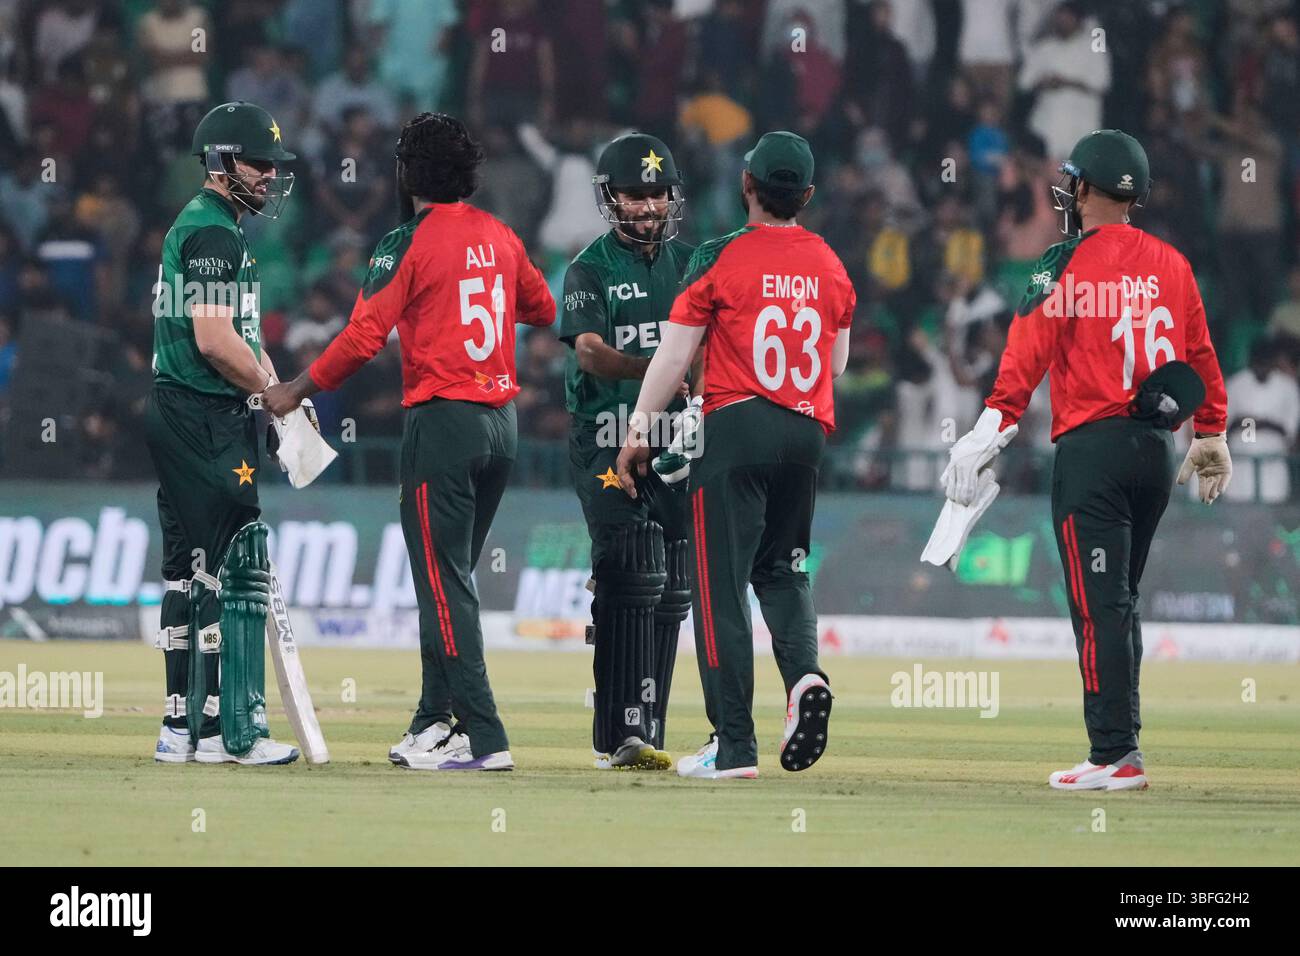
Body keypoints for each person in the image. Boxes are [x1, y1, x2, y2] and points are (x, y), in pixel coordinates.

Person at [264, 113, 556, 772]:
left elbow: (365, 337)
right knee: (445, 582)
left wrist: (297, 388)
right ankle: (434, 723)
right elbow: (540, 308)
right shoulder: (501, 235)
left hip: (444, 423)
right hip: (500, 424)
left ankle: (484, 735)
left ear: (405, 174)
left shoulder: (406, 242)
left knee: (444, 584)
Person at [940, 130, 1230, 791]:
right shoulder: (1174, 264)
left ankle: (1114, 755)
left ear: (1086, 189)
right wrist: (1210, 434)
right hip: (1154, 453)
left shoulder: (1057, 261)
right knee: (1121, 603)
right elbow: (1202, 358)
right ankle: (1121, 745)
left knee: (1098, 606)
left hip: (1092, 450)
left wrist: (991, 430)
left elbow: (1025, 352)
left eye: (1073, 182)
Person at [615, 131, 857, 779]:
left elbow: (673, 355)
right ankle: (805, 677)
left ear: (746, 185)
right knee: (785, 571)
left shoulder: (720, 255)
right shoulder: (832, 264)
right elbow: (837, 362)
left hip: (738, 426)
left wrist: (640, 429)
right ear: (806, 195)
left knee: (720, 589)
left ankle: (734, 745)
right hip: (805, 433)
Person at [147, 101, 301, 765]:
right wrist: (273, 395)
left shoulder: (207, 225)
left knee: (188, 570)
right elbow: (213, 340)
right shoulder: (214, 232)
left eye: (273, 163)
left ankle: (181, 726)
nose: (269, 174)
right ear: (219, 162)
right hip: (204, 414)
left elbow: (237, 338)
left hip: (181, 410)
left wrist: (276, 391)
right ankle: (224, 731)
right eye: (257, 162)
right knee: (231, 565)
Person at [559, 132, 695, 770]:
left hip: (675, 440)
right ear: (610, 198)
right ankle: (617, 733)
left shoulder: (693, 265)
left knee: (675, 585)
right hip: (605, 438)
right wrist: (659, 369)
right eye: (635, 195)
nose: (648, 207)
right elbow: (587, 351)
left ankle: (647, 726)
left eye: (658, 193)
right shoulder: (590, 267)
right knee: (630, 568)